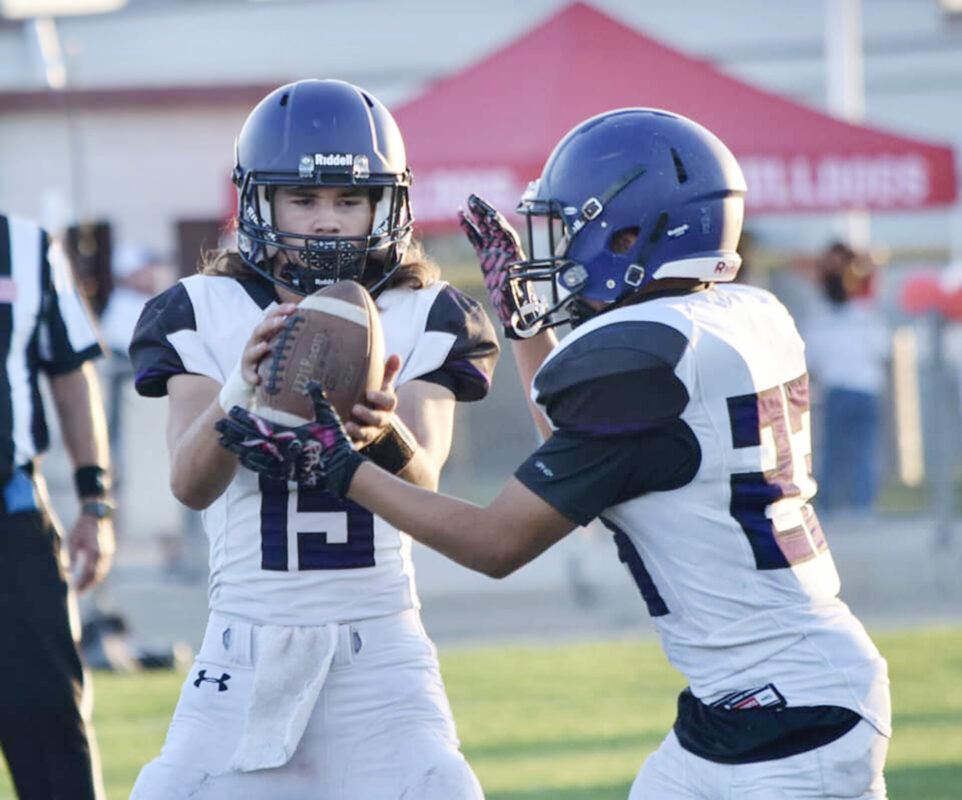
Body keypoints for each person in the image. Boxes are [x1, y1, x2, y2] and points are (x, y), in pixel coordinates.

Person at [220, 109, 892, 799]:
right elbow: (581, 452)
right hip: (766, 694)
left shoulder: (643, 363)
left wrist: (342, 467)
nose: (560, 248)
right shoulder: (741, 316)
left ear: (632, 235)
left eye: (574, 227)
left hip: (786, 719)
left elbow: (496, 544)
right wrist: (525, 326)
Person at [128, 79, 497, 799]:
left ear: (383, 205)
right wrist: (245, 385)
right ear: (259, 203)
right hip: (244, 641)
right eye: (304, 199)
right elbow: (189, 481)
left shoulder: (426, 311)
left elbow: (422, 484)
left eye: (348, 200)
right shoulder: (202, 309)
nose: (327, 222)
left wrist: (377, 430)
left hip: (380, 650)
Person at [0, 214, 115, 799]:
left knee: (48, 722)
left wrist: (95, 502)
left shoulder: (25, 246)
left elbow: (72, 374)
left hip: (13, 515)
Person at [803, 243, 890, 513]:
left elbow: (810, 359)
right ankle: (862, 506)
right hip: (865, 388)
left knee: (833, 452)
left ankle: (830, 506)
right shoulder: (864, 315)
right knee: (863, 451)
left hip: (837, 389)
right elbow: (882, 349)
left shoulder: (818, 319)